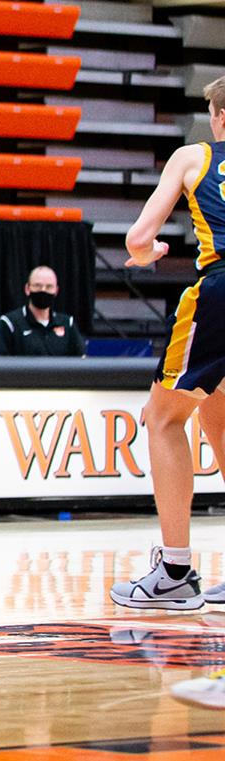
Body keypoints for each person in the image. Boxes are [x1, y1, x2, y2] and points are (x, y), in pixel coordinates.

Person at [109, 78, 225, 652]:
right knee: (219, 416)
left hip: (221, 290)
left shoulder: (194, 156)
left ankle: (176, 574)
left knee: (163, 418)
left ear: (220, 116)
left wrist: (143, 254)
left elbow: (138, 236)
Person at [0, 266, 85, 357]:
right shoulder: (9, 324)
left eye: (49, 287)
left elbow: (81, 362)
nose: (43, 290)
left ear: (56, 291)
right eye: (38, 286)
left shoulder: (68, 324)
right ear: (27, 289)